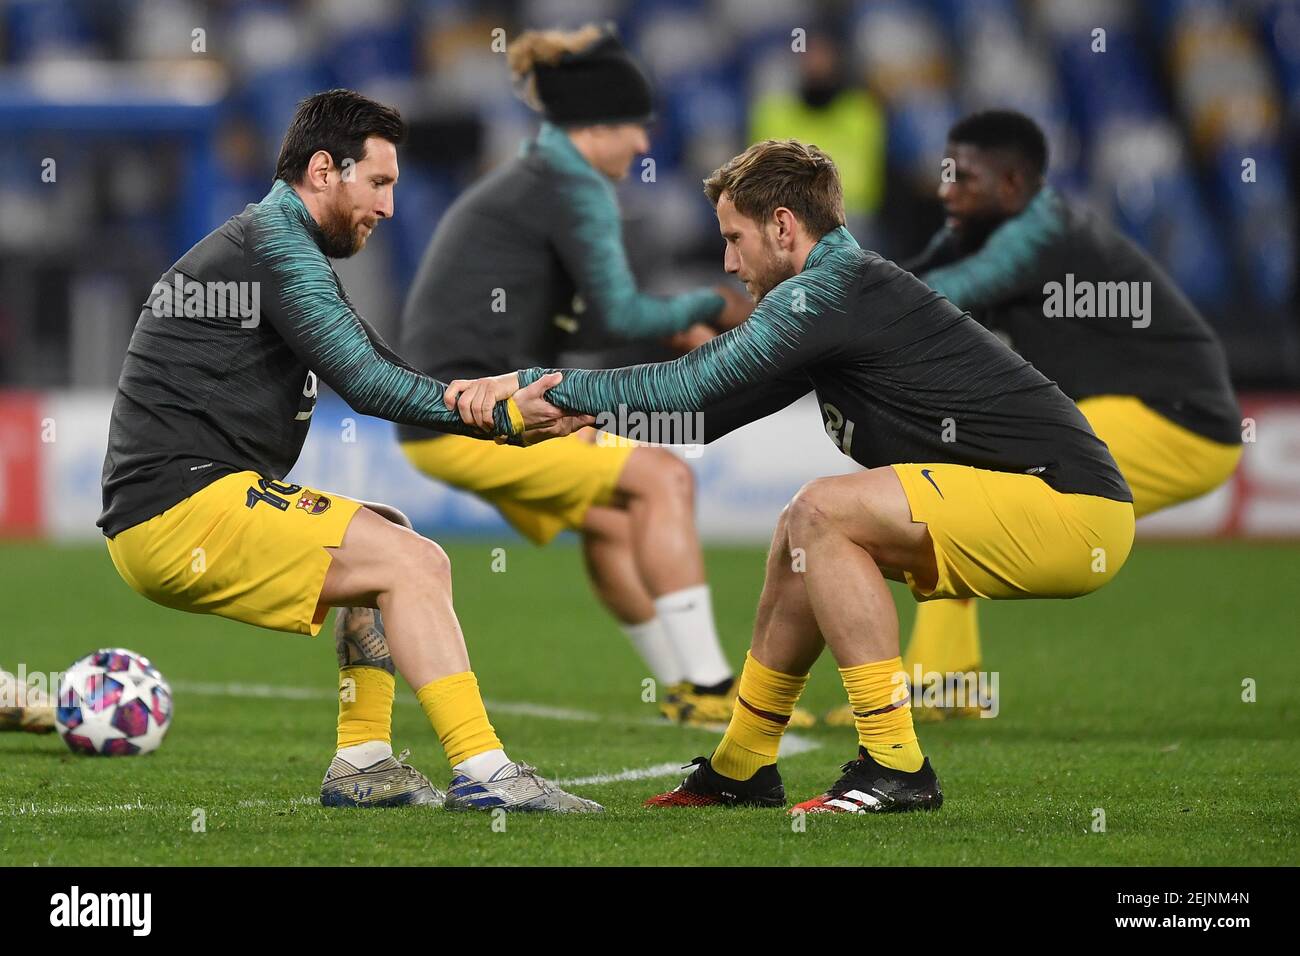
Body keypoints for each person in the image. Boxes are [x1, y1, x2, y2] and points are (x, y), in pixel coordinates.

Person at [441, 139, 1137, 813]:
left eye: (734, 237)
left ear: (782, 226)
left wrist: (541, 384)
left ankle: (896, 766)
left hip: (1070, 506)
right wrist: (575, 420)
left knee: (822, 513)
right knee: (800, 540)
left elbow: (692, 383)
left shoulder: (829, 291)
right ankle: (743, 766)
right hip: (1045, 501)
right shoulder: (832, 294)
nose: (726, 259)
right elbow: (706, 416)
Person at [96, 88, 600, 813]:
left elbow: (372, 360)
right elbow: (368, 382)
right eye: (381, 182)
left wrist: (493, 406)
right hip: (180, 508)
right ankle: (488, 773)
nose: (390, 206)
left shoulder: (274, 243)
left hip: (172, 505)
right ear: (325, 170)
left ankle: (364, 763)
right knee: (416, 563)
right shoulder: (276, 246)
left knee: (386, 535)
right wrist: (502, 420)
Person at [398, 25, 813, 727]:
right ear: (597, 127)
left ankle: (685, 691)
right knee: (663, 477)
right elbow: (618, 312)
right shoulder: (572, 186)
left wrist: (668, 323)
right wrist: (706, 304)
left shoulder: (534, 179)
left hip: (448, 411)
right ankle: (714, 689)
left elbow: (570, 325)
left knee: (611, 521)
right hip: (483, 412)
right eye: (635, 128)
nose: (645, 146)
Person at [824, 109, 1242, 724]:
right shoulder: (983, 225)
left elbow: (930, 302)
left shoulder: (1033, 235)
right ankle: (950, 683)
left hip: (1176, 421)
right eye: (945, 174)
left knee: (958, 490)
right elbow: (901, 286)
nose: (947, 190)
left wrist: (809, 319)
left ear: (1012, 185)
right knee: (959, 489)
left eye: (963, 178)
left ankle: (941, 683)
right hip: (1131, 411)